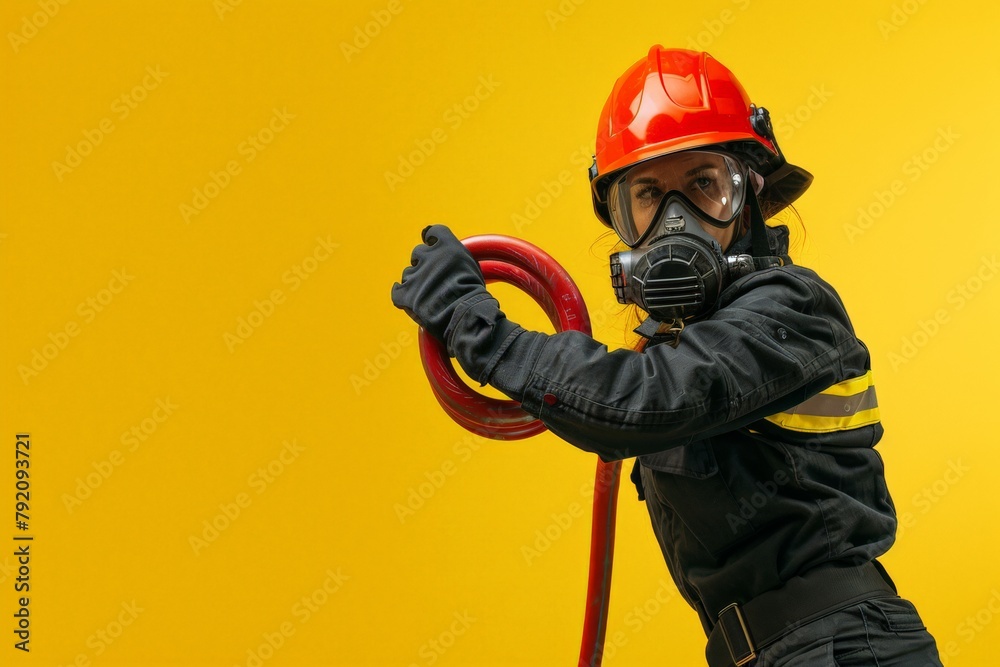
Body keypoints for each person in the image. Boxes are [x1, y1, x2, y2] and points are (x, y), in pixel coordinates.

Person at [391, 46, 942, 667]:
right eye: (649, 195)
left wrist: (474, 324)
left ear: (750, 194)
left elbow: (641, 399)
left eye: (705, 184)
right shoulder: (671, 345)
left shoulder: (792, 308)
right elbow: (622, 395)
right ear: (620, 217)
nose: (677, 219)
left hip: (845, 648)